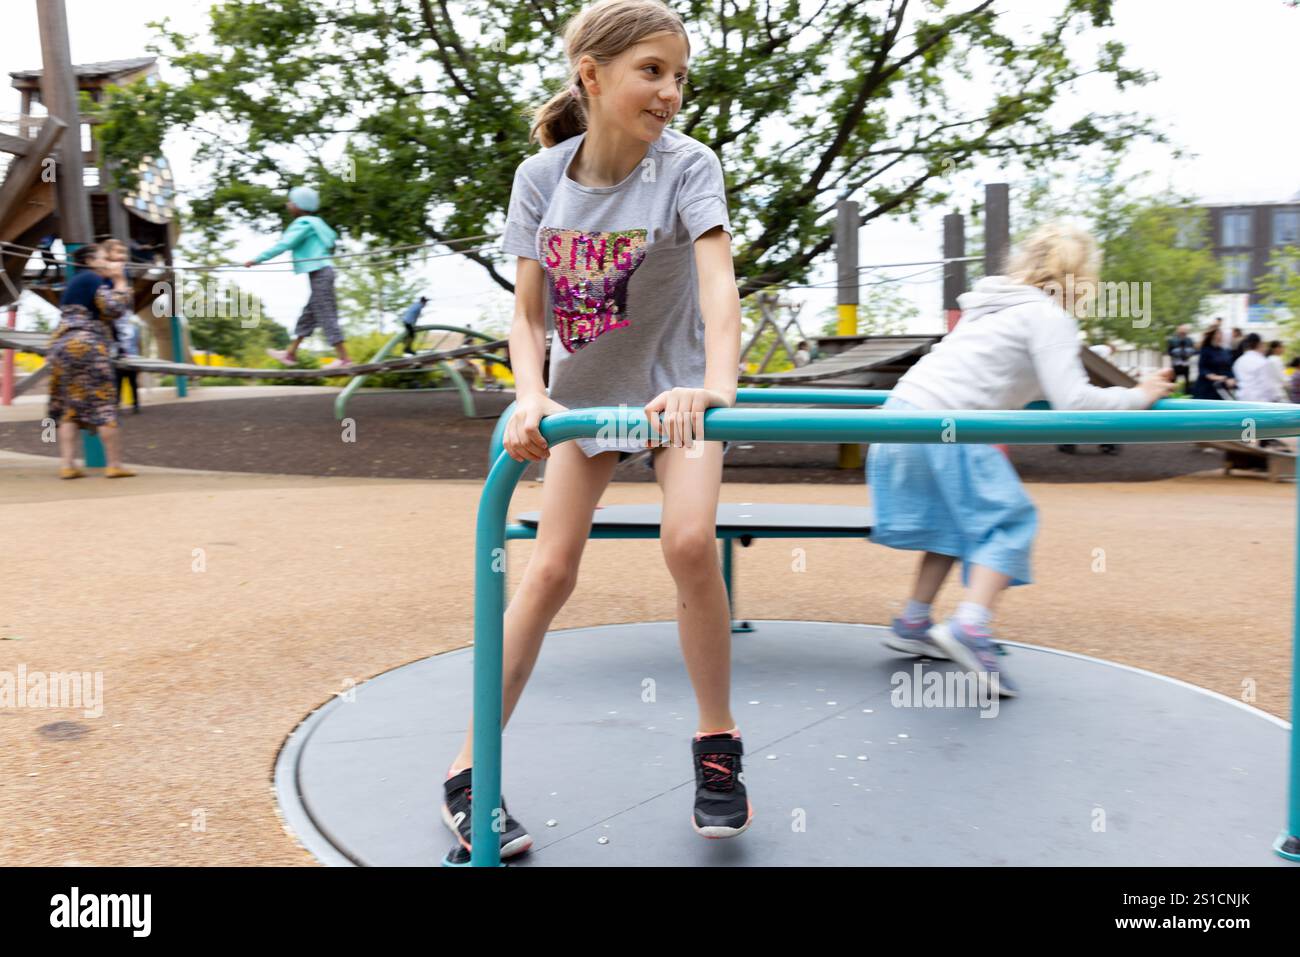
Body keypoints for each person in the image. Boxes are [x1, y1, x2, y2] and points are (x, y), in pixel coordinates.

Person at [442, 0, 744, 860]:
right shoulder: (542, 179)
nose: (670, 91)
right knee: (549, 571)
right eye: (652, 71)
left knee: (690, 541)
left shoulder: (688, 167)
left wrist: (714, 389)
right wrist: (531, 396)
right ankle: (469, 771)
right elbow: (527, 314)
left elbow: (719, 287)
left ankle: (716, 745)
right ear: (593, 75)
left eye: (679, 76)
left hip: (675, 395)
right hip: (586, 400)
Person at [866, 223, 1174, 696]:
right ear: (1080, 279)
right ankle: (971, 625)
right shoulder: (1048, 316)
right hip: (951, 425)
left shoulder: (991, 308)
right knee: (1010, 523)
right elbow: (1074, 402)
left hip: (899, 420)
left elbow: (1000, 370)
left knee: (950, 524)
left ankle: (913, 621)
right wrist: (1139, 395)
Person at [45, 244, 137, 478]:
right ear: (89, 260)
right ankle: (114, 464)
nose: (109, 262)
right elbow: (114, 308)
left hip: (62, 345)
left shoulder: (77, 282)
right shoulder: (92, 278)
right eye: (104, 257)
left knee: (69, 409)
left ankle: (67, 465)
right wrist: (120, 281)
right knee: (104, 404)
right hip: (87, 346)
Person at [245, 186, 351, 368]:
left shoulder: (303, 224)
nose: (288, 205)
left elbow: (284, 244)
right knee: (309, 315)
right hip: (322, 272)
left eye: (291, 202)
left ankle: (344, 358)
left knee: (326, 314)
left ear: (300, 206)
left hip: (320, 273)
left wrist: (257, 259)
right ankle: (290, 354)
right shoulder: (316, 223)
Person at [1191, 328, 1236, 399]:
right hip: (1207, 387)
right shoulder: (1206, 350)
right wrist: (1214, 377)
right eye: (1218, 334)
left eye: (1221, 334)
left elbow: (1229, 367)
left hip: (1221, 387)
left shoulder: (1225, 351)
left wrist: (1231, 378)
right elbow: (1202, 368)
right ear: (1213, 336)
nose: (1221, 336)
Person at [1231, 333, 1273, 402]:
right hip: (1260, 401)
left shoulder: (1238, 361)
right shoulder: (1262, 362)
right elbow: (1267, 385)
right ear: (1259, 344)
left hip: (1242, 399)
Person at [1167, 323, 1196, 394]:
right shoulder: (1172, 340)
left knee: (1187, 383)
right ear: (1178, 330)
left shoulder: (1189, 340)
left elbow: (1193, 351)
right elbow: (1169, 352)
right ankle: (1171, 395)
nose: (1183, 331)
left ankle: (1187, 395)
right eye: (1181, 329)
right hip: (1176, 365)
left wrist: (1188, 352)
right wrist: (1176, 352)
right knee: (1173, 381)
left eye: (1184, 329)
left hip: (1186, 365)